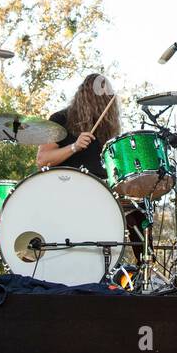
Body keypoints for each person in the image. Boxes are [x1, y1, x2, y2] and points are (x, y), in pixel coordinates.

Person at [36, 73, 147, 263]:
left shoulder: (108, 129)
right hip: (66, 190)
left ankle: (143, 267)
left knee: (140, 205)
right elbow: (43, 159)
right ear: (87, 95)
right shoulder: (60, 119)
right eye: (101, 95)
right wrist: (74, 147)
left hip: (101, 190)